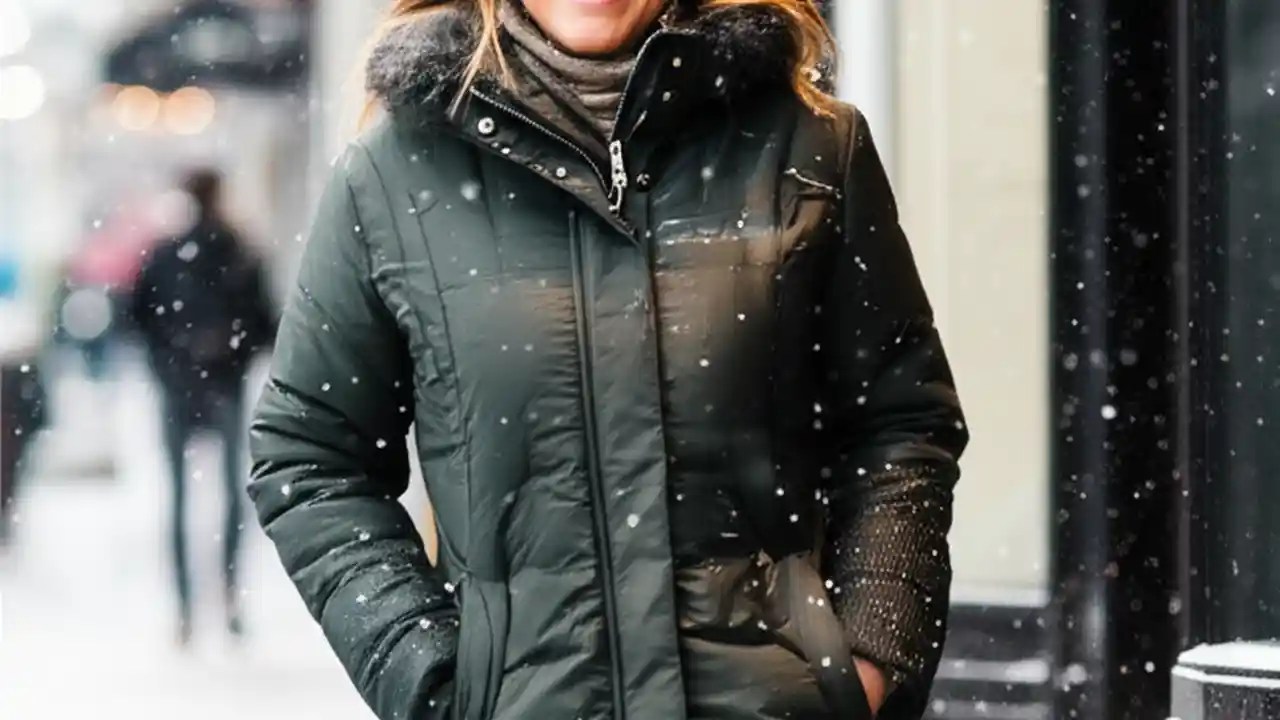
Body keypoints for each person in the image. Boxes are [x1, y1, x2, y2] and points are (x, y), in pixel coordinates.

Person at [250, 1, 967, 719]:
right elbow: (309, 456)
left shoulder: (810, 148)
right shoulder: (393, 177)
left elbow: (900, 425)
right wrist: (430, 674)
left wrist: (867, 661)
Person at [132, 168, 275, 645]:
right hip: (219, 383)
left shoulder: (170, 253)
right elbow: (265, 324)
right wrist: (226, 350)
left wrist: (171, 354)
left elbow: (136, 317)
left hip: (185, 383)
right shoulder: (238, 251)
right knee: (228, 494)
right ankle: (224, 594)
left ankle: (188, 605)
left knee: (184, 497)